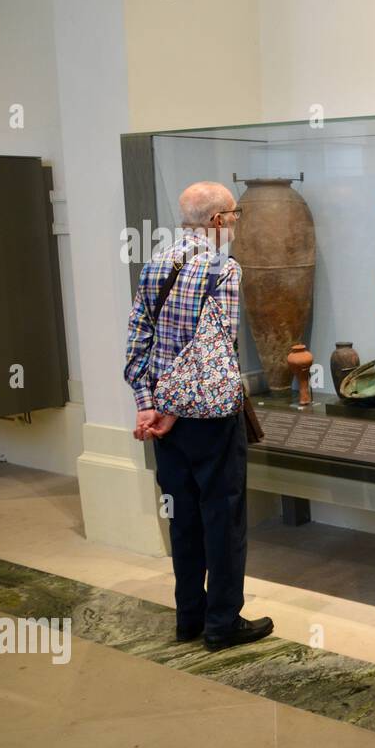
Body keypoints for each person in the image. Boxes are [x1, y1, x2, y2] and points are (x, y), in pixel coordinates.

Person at [123, 181, 273, 653]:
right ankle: (222, 622)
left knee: (182, 517)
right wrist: (167, 409)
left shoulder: (154, 264)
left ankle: (189, 615)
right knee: (223, 518)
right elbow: (214, 351)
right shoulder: (223, 270)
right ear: (216, 221)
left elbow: (137, 341)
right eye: (235, 213)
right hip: (207, 417)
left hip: (166, 421)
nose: (237, 221)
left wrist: (148, 403)